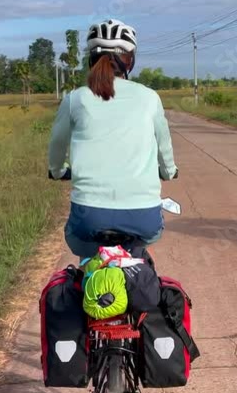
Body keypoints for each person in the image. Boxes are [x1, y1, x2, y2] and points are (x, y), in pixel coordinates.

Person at [48, 19, 178, 258]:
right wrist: (168, 171)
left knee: (81, 248)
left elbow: (57, 144)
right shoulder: (150, 97)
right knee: (143, 245)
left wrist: (57, 171)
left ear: (91, 58)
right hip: (143, 218)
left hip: (89, 218)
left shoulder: (75, 99)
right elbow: (164, 146)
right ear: (130, 60)